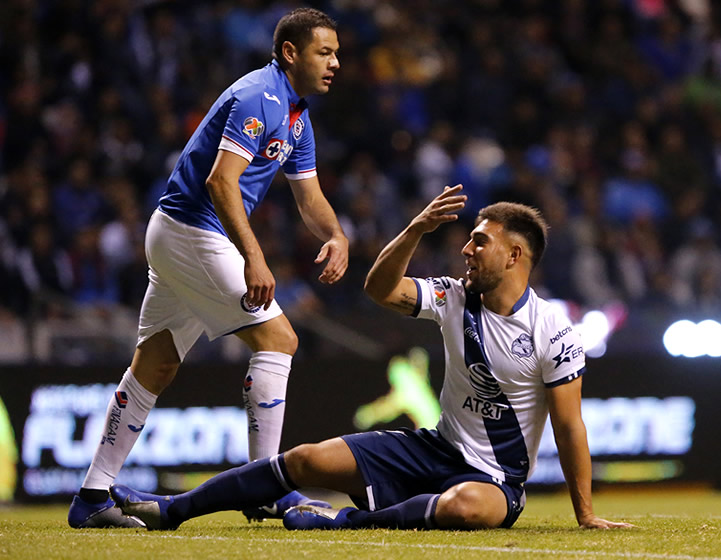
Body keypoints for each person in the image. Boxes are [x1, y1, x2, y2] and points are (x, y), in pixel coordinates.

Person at [108, 186, 633, 531]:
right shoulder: (453, 297)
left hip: (495, 481)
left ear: (514, 256)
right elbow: (380, 289)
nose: (466, 250)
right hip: (434, 450)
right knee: (306, 459)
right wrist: (414, 229)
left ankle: (337, 523)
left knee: (467, 509)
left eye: (479, 242)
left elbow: (569, 426)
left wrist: (585, 515)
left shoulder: (553, 331)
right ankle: (170, 511)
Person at [68, 8, 349, 529]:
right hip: (192, 231)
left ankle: (91, 497)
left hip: (177, 233)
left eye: (336, 53)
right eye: (324, 52)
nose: (335, 62)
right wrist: (255, 257)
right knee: (280, 339)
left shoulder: (296, 115)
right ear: (291, 53)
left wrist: (334, 234)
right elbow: (221, 183)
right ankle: (265, 486)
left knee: (154, 366)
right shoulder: (257, 97)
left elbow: (308, 197)